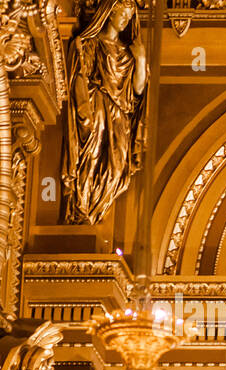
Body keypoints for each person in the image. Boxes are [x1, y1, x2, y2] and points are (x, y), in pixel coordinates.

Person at [63, 0, 148, 224]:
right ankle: (83, 205)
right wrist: (85, 109)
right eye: (123, 15)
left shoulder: (128, 54)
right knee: (91, 155)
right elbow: (80, 77)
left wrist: (141, 59)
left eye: (129, 18)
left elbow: (138, 88)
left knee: (118, 166)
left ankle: (97, 207)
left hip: (121, 114)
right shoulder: (91, 44)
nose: (126, 21)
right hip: (98, 105)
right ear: (110, 14)